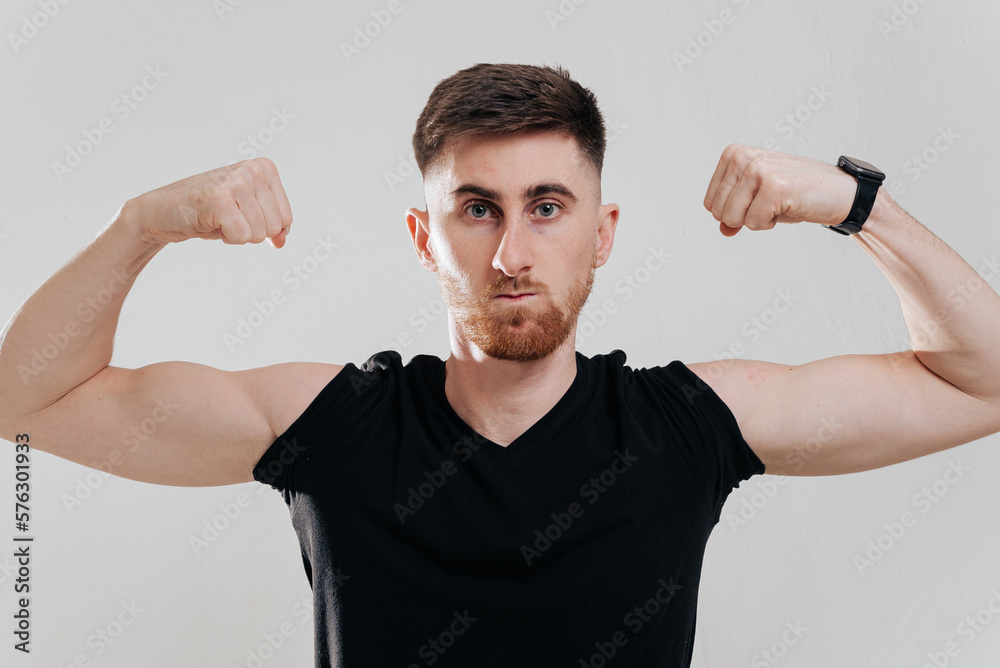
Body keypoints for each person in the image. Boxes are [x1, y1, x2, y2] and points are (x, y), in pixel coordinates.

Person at [1, 62, 998, 667]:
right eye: (476, 208)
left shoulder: (683, 426)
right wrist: (141, 226)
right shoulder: (334, 425)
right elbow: (25, 400)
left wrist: (852, 203)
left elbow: (981, 379)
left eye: (547, 206)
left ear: (602, 234)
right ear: (422, 237)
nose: (512, 253)